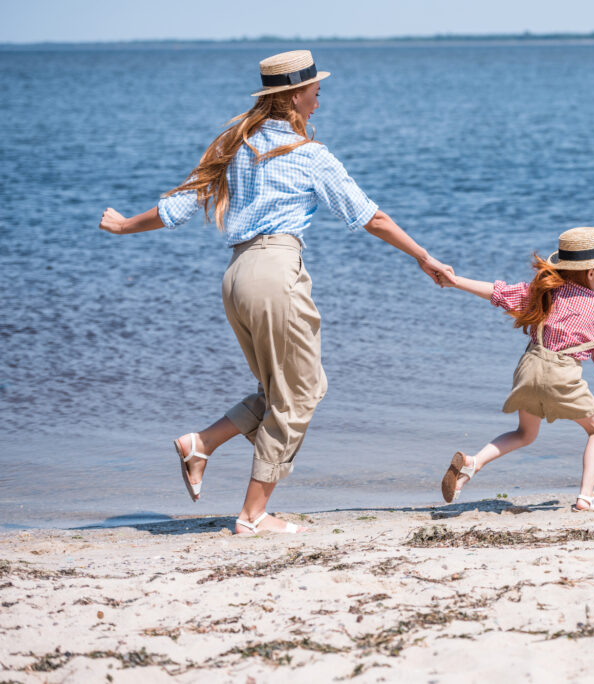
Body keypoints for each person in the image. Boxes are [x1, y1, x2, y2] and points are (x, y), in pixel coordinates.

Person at [98, 50, 454, 535]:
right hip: (275, 274)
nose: (319, 102)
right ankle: (252, 515)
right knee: (299, 396)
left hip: (237, 277)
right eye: (314, 93)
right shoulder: (311, 156)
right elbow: (372, 216)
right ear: (292, 96)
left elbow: (177, 206)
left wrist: (123, 227)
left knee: (287, 389)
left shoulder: (235, 142)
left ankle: (201, 443)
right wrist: (424, 256)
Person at [439, 227, 594, 511]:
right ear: (590, 273)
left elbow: (497, 293)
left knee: (525, 433)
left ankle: (472, 464)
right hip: (561, 376)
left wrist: (456, 281)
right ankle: (586, 497)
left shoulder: (543, 292)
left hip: (528, 370)